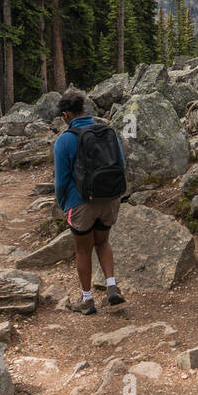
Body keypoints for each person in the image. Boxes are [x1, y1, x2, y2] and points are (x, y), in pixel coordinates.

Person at [54, 88, 126, 315]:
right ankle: (112, 285)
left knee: (83, 250)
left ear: (66, 115)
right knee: (102, 243)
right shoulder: (107, 132)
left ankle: (87, 300)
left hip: (81, 203)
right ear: (84, 108)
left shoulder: (64, 140)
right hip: (109, 198)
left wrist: (64, 203)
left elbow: (61, 180)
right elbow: (121, 166)